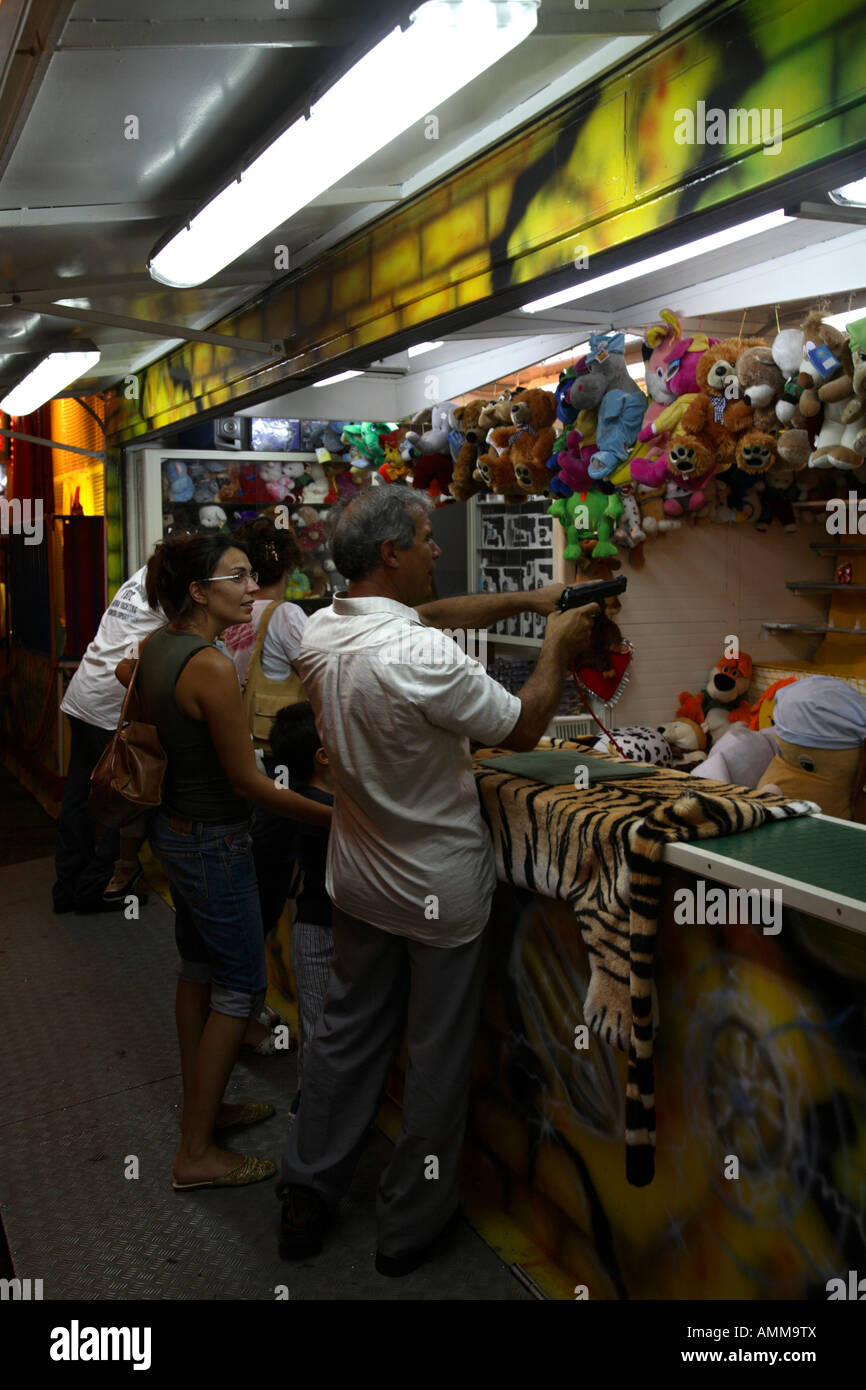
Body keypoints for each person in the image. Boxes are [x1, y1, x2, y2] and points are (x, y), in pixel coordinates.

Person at [277, 484, 599, 1273]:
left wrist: (528, 596)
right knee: (437, 1057)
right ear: (391, 553)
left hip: (359, 878)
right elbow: (521, 725)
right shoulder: (417, 656)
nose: (436, 549)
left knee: (346, 1040)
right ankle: (409, 1228)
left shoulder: (321, 633)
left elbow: (429, 613)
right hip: (439, 891)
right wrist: (556, 642)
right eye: (425, 538)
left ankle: (306, 1194)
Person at [130, 532, 331, 1192]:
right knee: (241, 987)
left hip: (176, 833)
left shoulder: (157, 648)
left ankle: (205, 1111)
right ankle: (196, 1152)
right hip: (215, 839)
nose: (252, 588)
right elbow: (248, 783)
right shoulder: (211, 666)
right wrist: (341, 818)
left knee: (196, 968)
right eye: (238, 577)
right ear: (199, 591)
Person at [53, 567, 166, 914]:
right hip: (107, 706)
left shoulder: (146, 575)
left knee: (79, 796)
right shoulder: (173, 589)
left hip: (84, 694)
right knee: (131, 798)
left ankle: (68, 887)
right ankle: (98, 888)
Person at [256, 702, 334, 1118]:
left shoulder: (305, 795)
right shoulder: (317, 805)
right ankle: (310, 1112)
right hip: (321, 932)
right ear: (322, 755)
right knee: (320, 1031)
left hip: (317, 931)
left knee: (319, 1027)